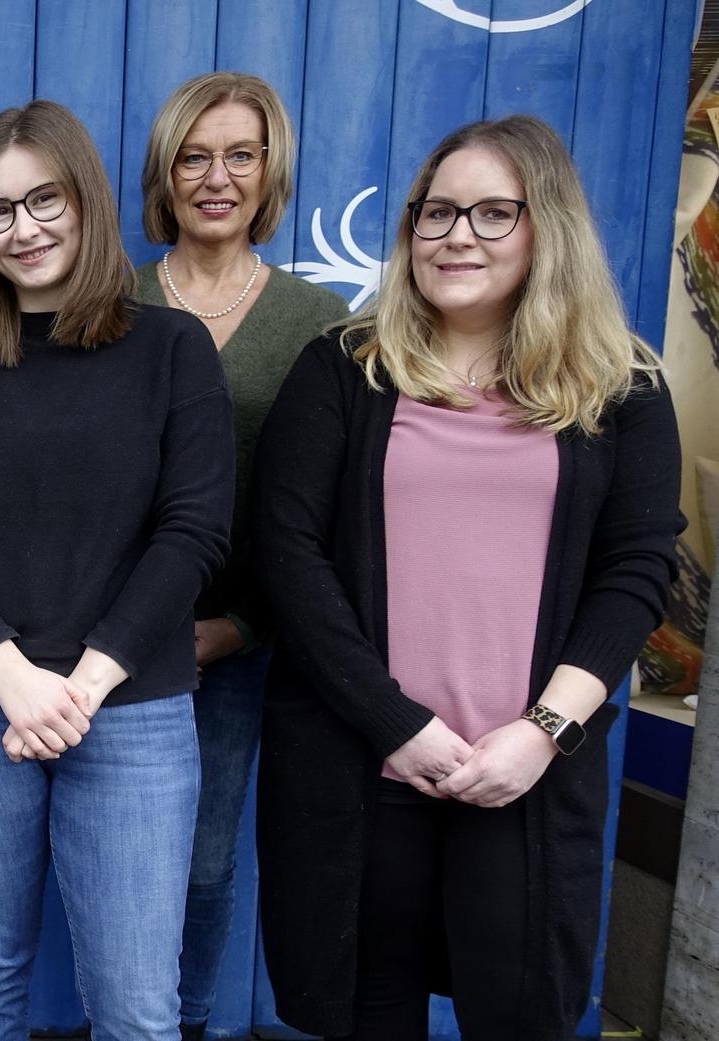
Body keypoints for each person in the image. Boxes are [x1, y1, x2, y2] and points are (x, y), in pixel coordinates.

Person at [253, 114, 681, 1040]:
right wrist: (394, 723)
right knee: (367, 1007)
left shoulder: (621, 386)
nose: (456, 236)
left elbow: (635, 570)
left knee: (518, 1010)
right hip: (364, 762)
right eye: (436, 212)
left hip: (522, 771)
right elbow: (286, 552)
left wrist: (542, 732)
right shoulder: (344, 368)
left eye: (494, 213)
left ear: (547, 226)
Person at [0, 99, 233, 1041]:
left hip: (131, 709)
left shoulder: (171, 349)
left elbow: (193, 532)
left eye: (44, 200)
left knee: (134, 1003)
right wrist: (9, 674)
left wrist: (81, 682)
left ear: (86, 201)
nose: (23, 228)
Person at [131, 71, 349, 1040]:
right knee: (117, 858)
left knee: (206, 861)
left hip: (237, 645)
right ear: (165, 172)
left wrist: (239, 626)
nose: (216, 177)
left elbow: (326, 511)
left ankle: (184, 1021)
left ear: (270, 175)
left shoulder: (318, 325)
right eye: (195, 155)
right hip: (110, 642)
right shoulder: (112, 301)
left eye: (241, 156)